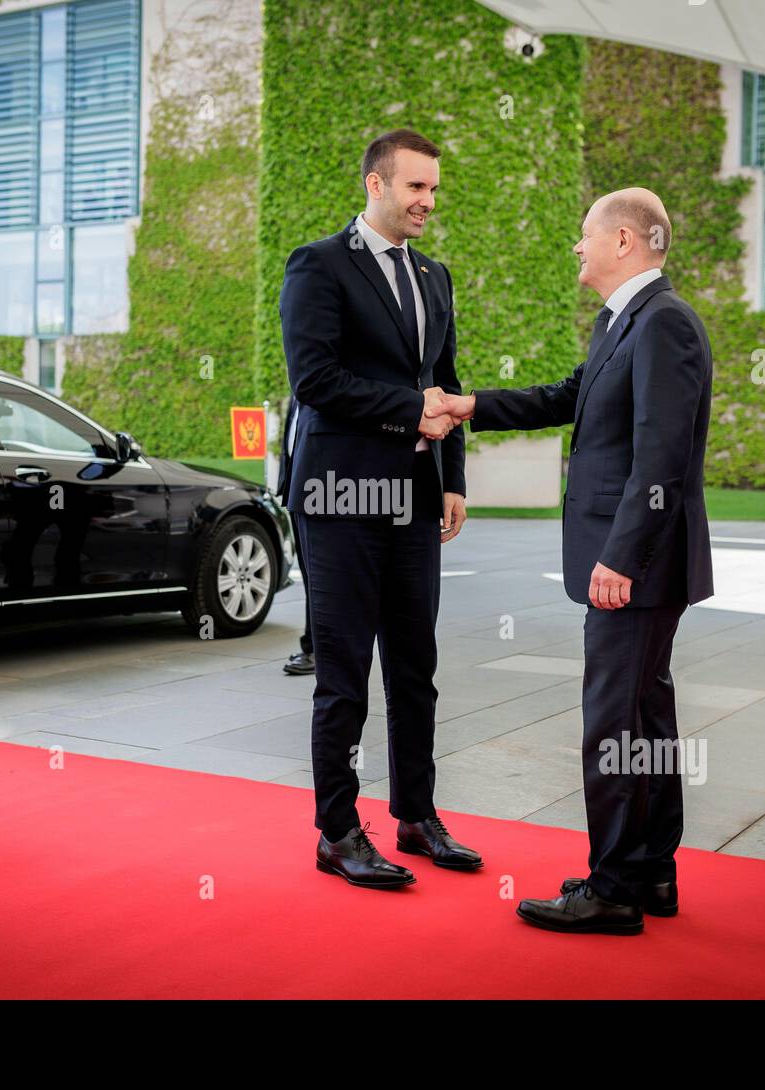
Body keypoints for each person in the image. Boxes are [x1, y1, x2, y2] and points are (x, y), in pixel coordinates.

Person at [429, 188, 713, 934]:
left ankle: (613, 887)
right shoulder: (623, 322)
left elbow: (661, 457)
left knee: (613, 722)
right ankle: (649, 873)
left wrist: (621, 556)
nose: (576, 249)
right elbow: (572, 396)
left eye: (584, 237)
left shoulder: (663, 325)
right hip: (640, 560)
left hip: (637, 563)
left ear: (624, 240)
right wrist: (471, 405)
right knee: (645, 717)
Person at [278, 129, 480, 889]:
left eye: (433, 189)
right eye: (416, 188)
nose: (428, 202)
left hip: (415, 499)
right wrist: (409, 410)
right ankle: (337, 830)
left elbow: (447, 381)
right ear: (375, 185)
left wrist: (452, 478)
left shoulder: (436, 276)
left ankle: (417, 817)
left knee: (415, 666)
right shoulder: (318, 265)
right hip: (338, 498)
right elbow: (316, 381)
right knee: (343, 673)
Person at [276, 395, 313, 675]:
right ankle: (313, 647)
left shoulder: (319, 386)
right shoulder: (298, 387)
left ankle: (313, 650)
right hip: (298, 490)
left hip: (323, 490)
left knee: (320, 581)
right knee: (311, 576)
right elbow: (291, 436)